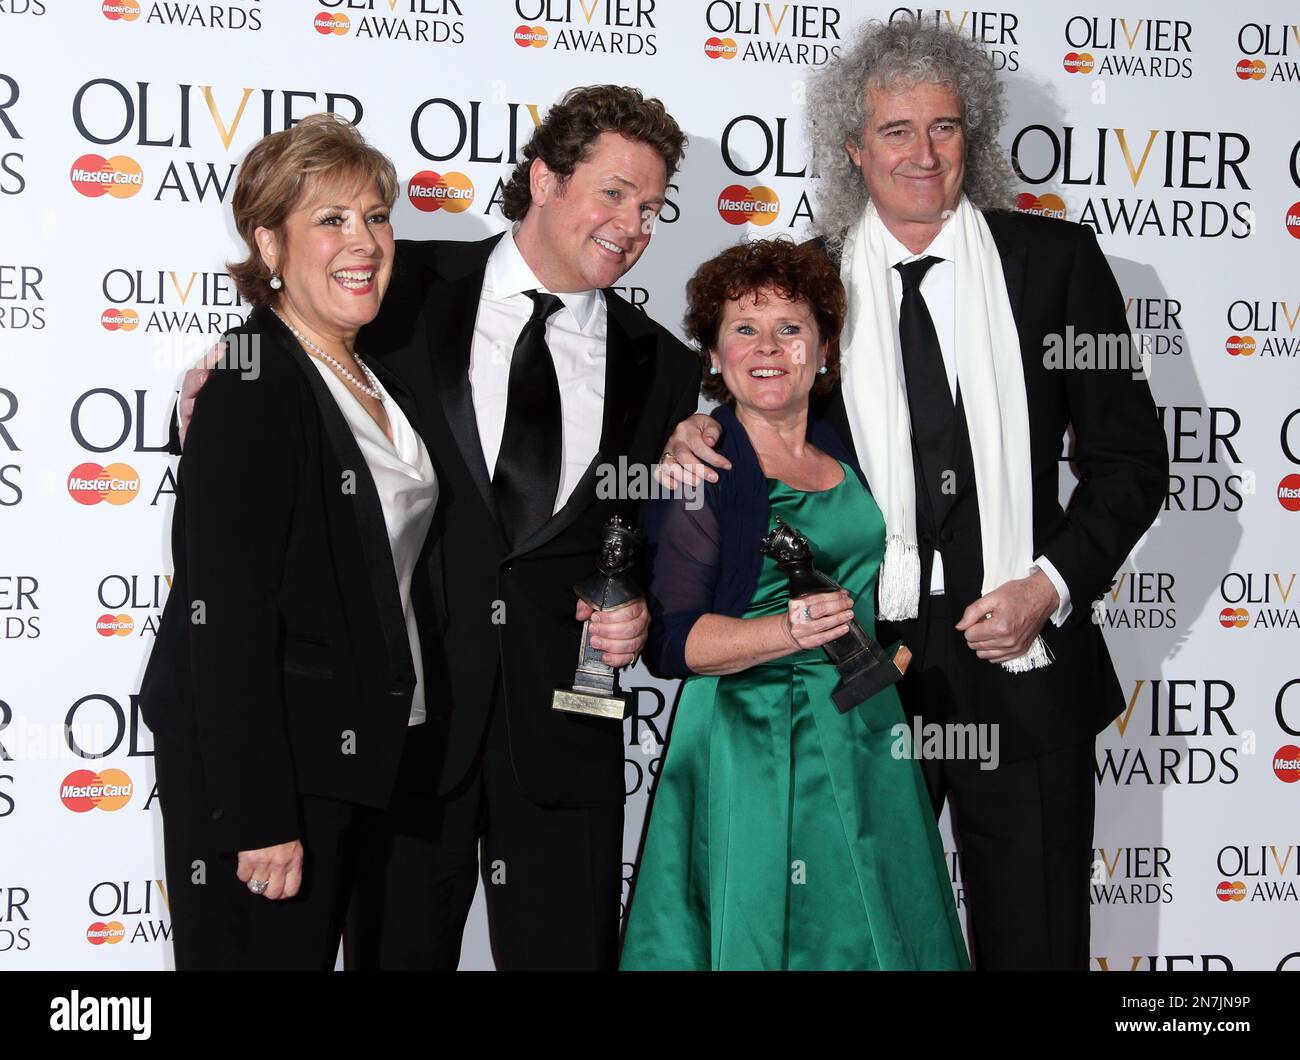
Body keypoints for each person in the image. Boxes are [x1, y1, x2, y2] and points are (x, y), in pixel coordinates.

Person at [661, 23, 1168, 970]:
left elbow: (1133, 461)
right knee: (857, 943)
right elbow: (760, 403)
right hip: (858, 675)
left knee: (1038, 941)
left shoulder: (1053, 267)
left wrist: (1048, 587)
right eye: (896, 130)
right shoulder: (813, 285)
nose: (922, 153)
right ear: (854, 148)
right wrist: (691, 428)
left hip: (1026, 668)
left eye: (943, 127)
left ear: (970, 138)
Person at [177, 86, 701, 970]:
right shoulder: (399, 284)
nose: (632, 224)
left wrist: (639, 608)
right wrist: (229, 364)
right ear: (543, 177)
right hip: (403, 739)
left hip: (561, 737)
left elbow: (636, 538)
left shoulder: (669, 367)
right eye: (614, 192)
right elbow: (292, 355)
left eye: (650, 207)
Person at [139, 114, 443, 970]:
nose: (366, 241)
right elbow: (225, 612)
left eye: (377, 216)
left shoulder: (360, 370)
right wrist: (260, 814)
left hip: (354, 753)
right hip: (274, 772)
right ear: (268, 242)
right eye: (332, 219)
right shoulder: (254, 377)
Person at [621, 239, 968, 971]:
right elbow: (671, 642)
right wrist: (787, 630)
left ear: (825, 347)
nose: (768, 348)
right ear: (713, 355)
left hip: (866, 725)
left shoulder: (853, 446)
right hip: (751, 739)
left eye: (790, 328)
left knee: (876, 926)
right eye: (744, 329)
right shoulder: (702, 468)